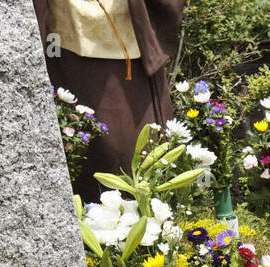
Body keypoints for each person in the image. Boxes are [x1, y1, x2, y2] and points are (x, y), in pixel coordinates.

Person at [35, 0, 185, 202]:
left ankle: (143, 221)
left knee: (132, 155)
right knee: (77, 150)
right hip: (65, 43)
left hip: (128, 49)